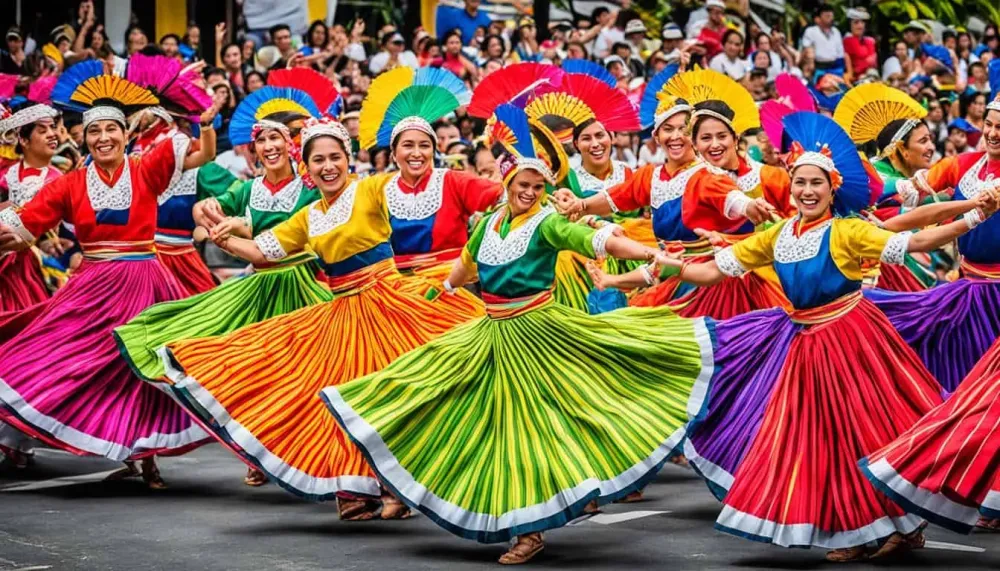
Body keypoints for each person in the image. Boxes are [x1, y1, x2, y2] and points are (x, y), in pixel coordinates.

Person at [322, 103, 715, 564]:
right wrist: (442, 290)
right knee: (442, 396)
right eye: (521, 185)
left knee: (536, 425)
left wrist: (648, 252)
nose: (529, 192)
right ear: (507, 186)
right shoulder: (489, 224)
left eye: (536, 186)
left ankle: (532, 529)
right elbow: (467, 264)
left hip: (539, 333)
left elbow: (598, 240)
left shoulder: (548, 222)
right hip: (491, 331)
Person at [676, 111, 996, 562]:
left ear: (831, 189)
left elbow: (918, 243)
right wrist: (659, 265)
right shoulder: (777, 235)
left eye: (816, 183)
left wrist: (973, 218)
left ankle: (898, 525)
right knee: (819, 439)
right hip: (806, 347)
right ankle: (852, 530)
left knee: (870, 430)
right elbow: (711, 271)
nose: (807, 191)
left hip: (855, 340)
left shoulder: (847, 231)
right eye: (800, 183)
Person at [158, 116, 483, 516]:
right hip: (344, 313)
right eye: (318, 160)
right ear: (307, 169)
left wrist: (428, 162)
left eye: (335, 157)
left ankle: (405, 486)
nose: (327, 166)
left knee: (405, 393)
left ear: (349, 159)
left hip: (392, 303)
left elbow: (415, 184)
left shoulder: (372, 189)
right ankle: (357, 490)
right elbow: (262, 251)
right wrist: (226, 237)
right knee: (334, 398)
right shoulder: (308, 216)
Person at [0, 67, 220, 487]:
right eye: (94, 131)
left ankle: (149, 457)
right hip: (93, 288)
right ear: (83, 137)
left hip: (145, 282)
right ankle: (101, 443)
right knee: (69, 358)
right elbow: (26, 223)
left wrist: (198, 118)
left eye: (111, 130)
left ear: (125, 133)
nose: (103, 138)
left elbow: (198, 151)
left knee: (145, 371)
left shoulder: (146, 168)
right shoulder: (69, 183)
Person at [556, 68, 784, 320]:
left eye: (682, 129)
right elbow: (613, 198)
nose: (675, 136)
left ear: (693, 138)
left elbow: (732, 199)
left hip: (716, 289)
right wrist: (580, 205)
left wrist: (750, 208)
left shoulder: (705, 175)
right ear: (656, 136)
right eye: (667, 129)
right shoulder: (650, 176)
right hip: (674, 279)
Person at [865, 101, 1000, 392]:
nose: (991, 133)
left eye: (999, 127)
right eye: (988, 124)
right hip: (968, 287)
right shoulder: (964, 164)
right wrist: (875, 220)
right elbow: (919, 202)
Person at [356, 67, 502, 279]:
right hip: (398, 290)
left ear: (433, 151)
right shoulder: (377, 188)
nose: (417, 153)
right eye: (408, 145)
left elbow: (501, 196)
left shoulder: (452, 181)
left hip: (451, 288)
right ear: (394, 154)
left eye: (424, 145)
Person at [833, 83, 939, 291]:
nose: (931, 148)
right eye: (923, 141)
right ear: (899, 149)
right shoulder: (875, 176)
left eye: (931, 140)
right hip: (878, 275)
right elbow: (888, 189)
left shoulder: (899, 177)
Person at [0, 102, 63, 312]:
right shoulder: (5, 174)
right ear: (24, 140)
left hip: (25, 265)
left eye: (53, 128)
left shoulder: (58, 179)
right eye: (42, 130)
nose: (52, 134)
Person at [800, 5, 844, 79]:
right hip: (817, 69)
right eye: (827, 16)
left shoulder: (836, 31)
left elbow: (840, 54)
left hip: (835, 69)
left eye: (832, 16)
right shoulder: (810, 31)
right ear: (818, 19)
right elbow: (807, 50)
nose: (831, 19)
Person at [842, 8, 876, 81]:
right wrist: (866, 62)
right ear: (850, 25)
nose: (860, 25)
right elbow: (854, 68)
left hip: (871, 75)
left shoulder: (870, 41)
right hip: (855, 78)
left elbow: (873, 62)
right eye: (856, 22)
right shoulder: (847, 40)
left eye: (862, 22)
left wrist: (865, 63)